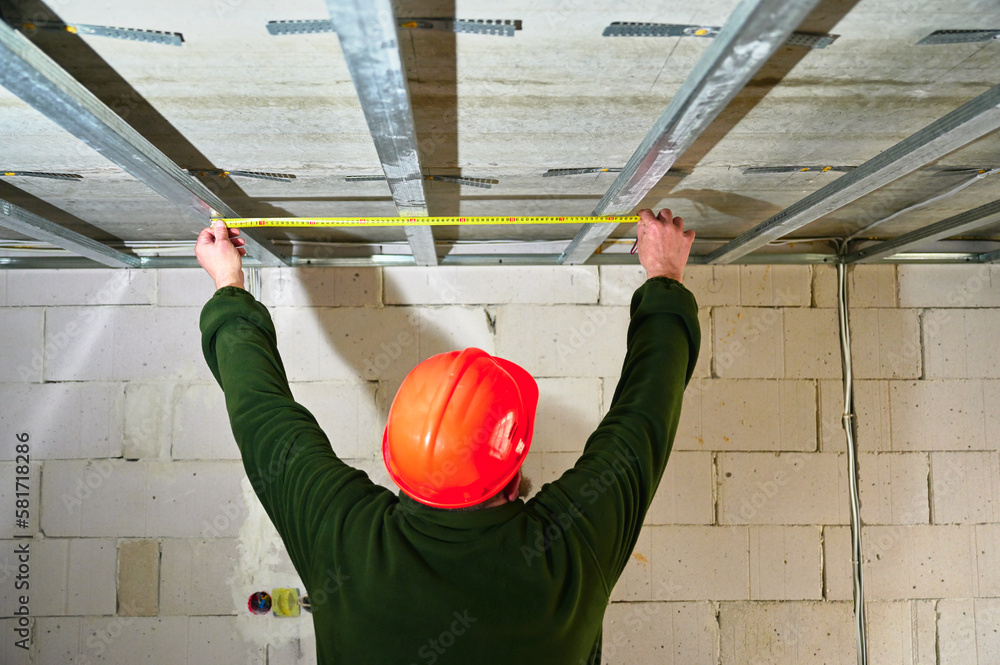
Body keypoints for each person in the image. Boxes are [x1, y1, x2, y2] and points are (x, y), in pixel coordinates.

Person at [195, 208, 699, 664]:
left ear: (396, 456)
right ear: (514, 466)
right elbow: (644, 417)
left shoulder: (345, 540)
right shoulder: (566, 550)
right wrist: (663, 276)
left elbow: (261, 411)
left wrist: (229, 283)